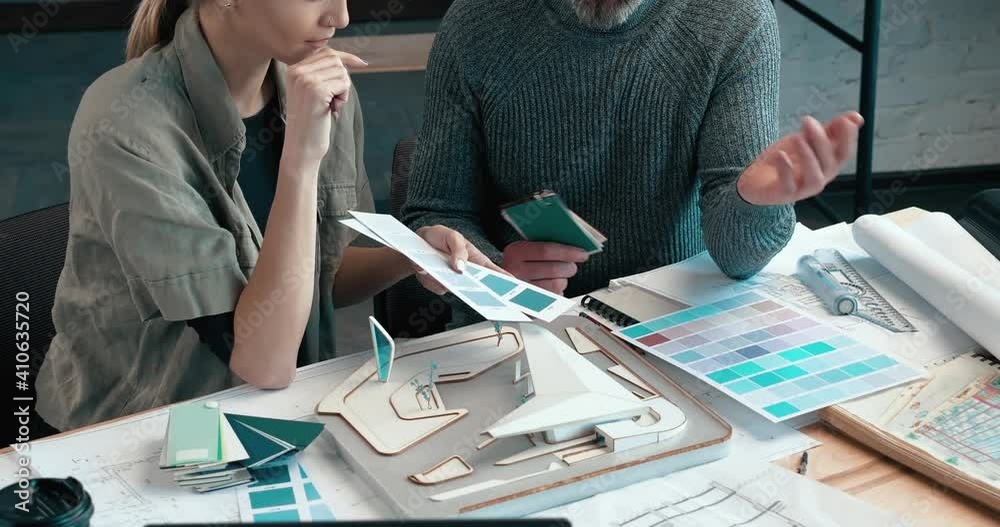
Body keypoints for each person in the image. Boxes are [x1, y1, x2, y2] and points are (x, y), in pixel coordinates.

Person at [35, 0, 497, 433]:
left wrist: (410, 255)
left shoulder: (315, 86)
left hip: (271, 411)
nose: (342, 15)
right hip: (143, 430)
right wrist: (300, 159)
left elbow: (319, 277)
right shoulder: (127, 125)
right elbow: (264, 362)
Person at [402, 0, 864, 326]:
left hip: (672, 318)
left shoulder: (734, 16)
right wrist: (497, 276)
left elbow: (738, 261)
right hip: (523, 323)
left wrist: (753, 200)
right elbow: (437, 212)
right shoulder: (476, 21)